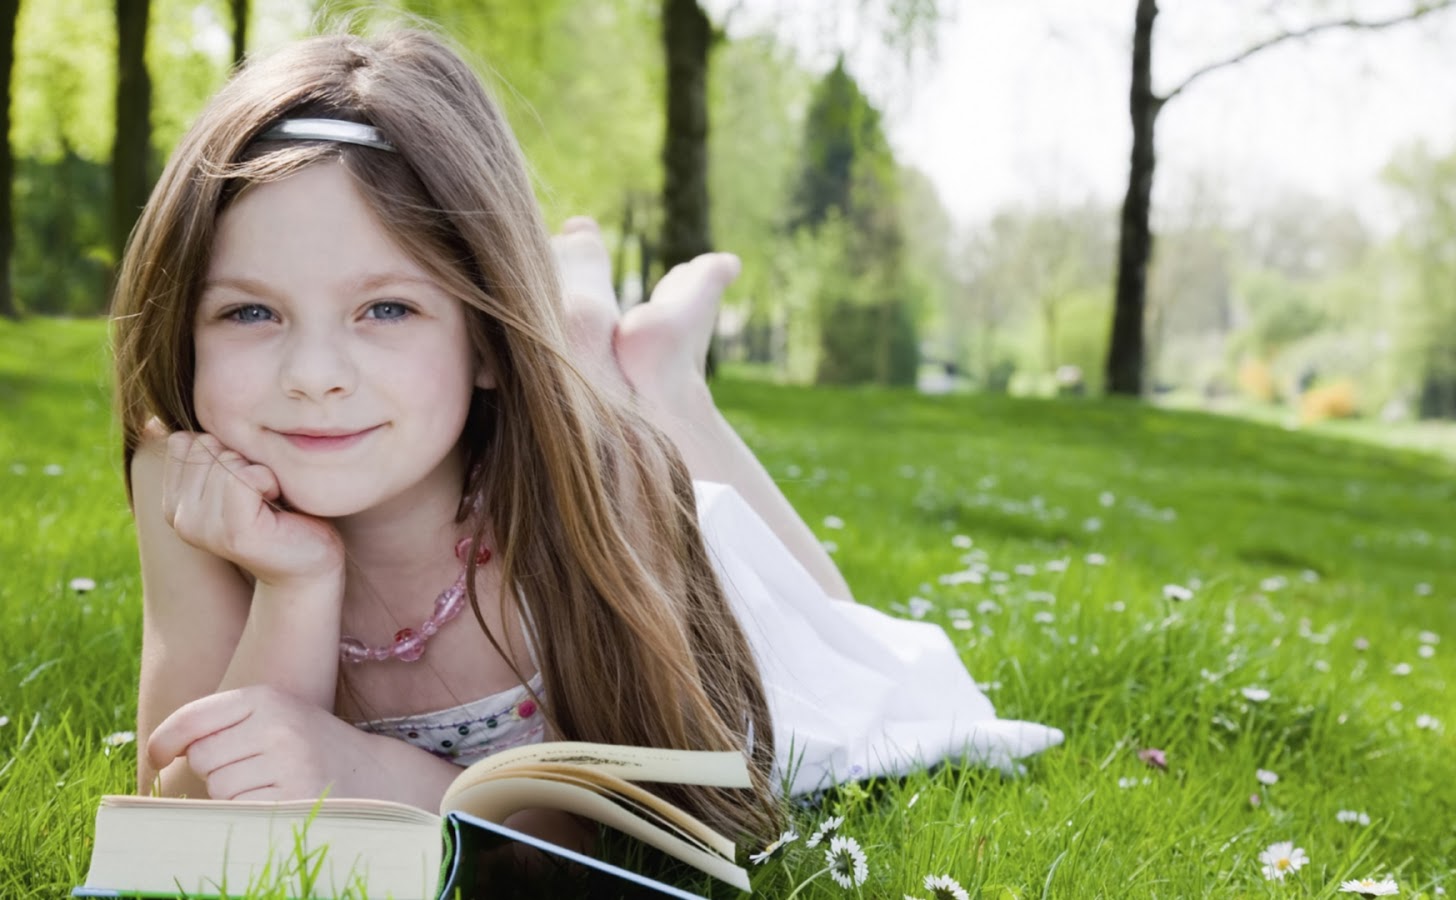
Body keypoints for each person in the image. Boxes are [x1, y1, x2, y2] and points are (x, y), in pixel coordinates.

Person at [110, 28, 1061, 850]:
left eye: (387, 307)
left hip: (681, 564)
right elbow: (183, 807)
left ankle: (658, 376)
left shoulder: (587, 495)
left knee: (848, 639)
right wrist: (296, 583)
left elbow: (677, 806)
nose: (313, 374)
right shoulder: (187, 485)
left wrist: (372, 771)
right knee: (587, 397)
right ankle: (591, 337)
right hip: (566, 426)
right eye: (248, 315)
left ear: (485, 339)